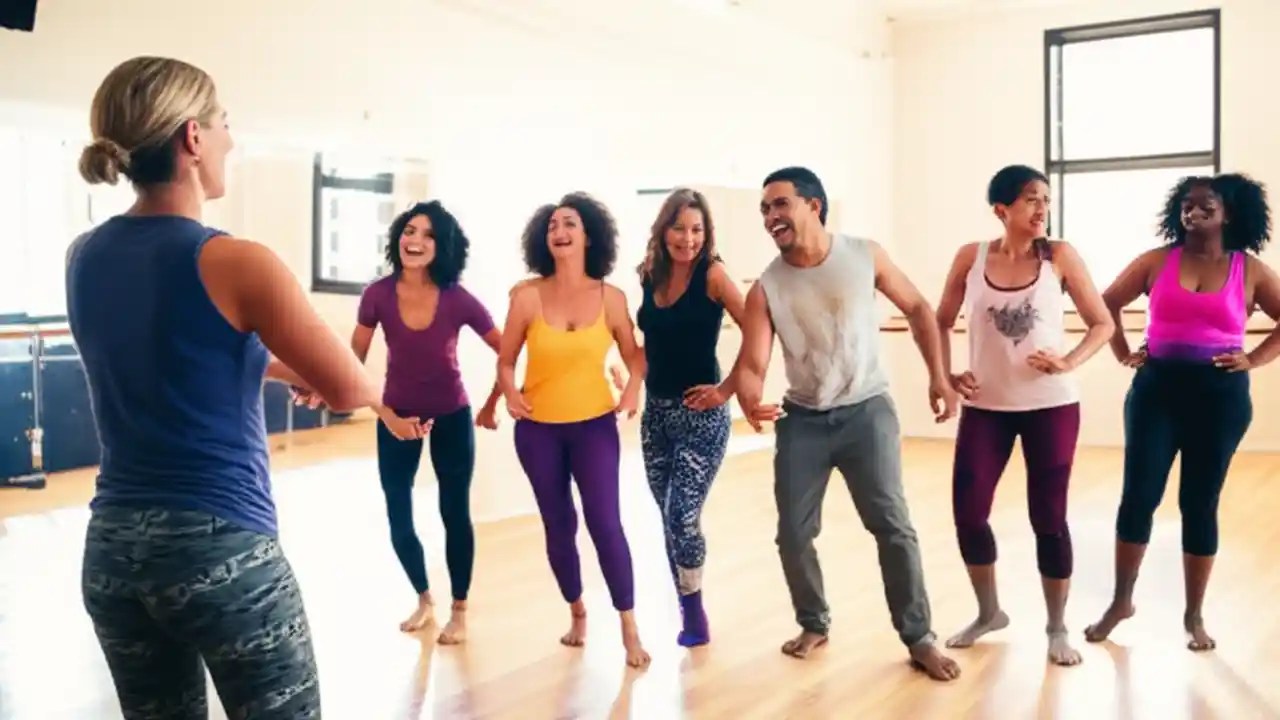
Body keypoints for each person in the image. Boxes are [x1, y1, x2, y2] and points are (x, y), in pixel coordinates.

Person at [68, 56, 379, 718]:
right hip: (221, 547)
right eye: (225, 123)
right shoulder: (236, 260)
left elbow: (174, 352)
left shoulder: (83, 255)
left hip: (114, 553)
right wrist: (310, 365)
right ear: (193, 137)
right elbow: (350, 386)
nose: (232, 140)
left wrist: (265, 360)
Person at [731, 166, 962, 681]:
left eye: (780, 204)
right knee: (792, 532)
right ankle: (814, 621)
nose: (771, 217)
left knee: (893, 526)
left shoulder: (864, 255)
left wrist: (939, 378)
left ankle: (919, 637)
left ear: (814, 205)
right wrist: (751, 399)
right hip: (803, 420)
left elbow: (921, 309)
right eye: (765, 209)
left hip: (867, 410)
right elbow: (752, 364)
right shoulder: (766, 287)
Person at [1084, 172, 1277, 652]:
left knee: (1199, 503)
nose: (1193, 212)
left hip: (1221, 397)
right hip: (1156, 391)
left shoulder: (1248, 270)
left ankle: (1194, 615)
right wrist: (1123, 352)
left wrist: (1252, 358)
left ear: (1229, 212)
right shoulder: (1156, 261)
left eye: (1205, 205)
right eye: (1186, 206)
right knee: (1139, 496)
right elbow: (1104, 304)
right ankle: (1121, 602)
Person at [934, 165, 1114, 666]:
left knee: (1048, 519)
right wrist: (945, 373)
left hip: (1050, 406)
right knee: (969, 514)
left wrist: (1068, 361)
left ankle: (1057, 627)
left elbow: (1102, 323)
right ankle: (989, 611)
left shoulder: (1059, 257)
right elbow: (938, 319)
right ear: (1002, 209)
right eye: (1031, 199)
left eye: (1046, 200)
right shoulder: (970, 258)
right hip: (985, 407)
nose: (1042, 209)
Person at [497, 192, 651, 669]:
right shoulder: (525, 297)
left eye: (570, 224)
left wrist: (631, 391)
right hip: (538, 431)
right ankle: (577, 611)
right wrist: (508, 391)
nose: (560, 231)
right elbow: (505, 360)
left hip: (594, 429)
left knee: (605, 523)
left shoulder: (611, 298)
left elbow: (634, 354)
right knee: (559, 525)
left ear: (589, 237)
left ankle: (629, 627)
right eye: (553, 226)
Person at [348, 200, 502, 643]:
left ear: (444, 246)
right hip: (395, 414)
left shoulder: (458, 298)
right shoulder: (377, 294)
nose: (415, 241)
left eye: (429, 235)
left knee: (454, 512)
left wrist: (496, 397)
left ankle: (460, 610)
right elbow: (351, 362)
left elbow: (506, 350)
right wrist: (386, 414)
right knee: (398, 514)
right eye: (409, 231)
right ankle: (423, 599)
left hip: (451, 416)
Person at [634, 188, 747, 647]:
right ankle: (685, 605)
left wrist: (728, 390)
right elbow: (650, 345)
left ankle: (696, 614)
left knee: (682, 515)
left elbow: (759, 328)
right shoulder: (648, 276)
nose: (688, 238)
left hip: (701, 416)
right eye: (679, 228)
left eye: (697, 229)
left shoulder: (714, 276)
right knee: (666, 516)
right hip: (655, 416)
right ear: (663, 231)